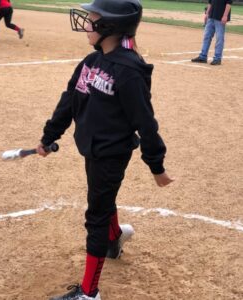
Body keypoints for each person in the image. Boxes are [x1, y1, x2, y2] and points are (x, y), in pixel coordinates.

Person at [37, 0, 174, 299]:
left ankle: (89, 293)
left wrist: (156, 165)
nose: (86, 24)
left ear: (109, 27)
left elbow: (145, 122)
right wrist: (49, 136)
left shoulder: (129, 71)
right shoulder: (91, 62)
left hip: (111, 153)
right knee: (102, 197)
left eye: (92, 19)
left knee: (96, 214)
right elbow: (69, 100)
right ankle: (114, 239)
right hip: (93, 148)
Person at [192, 0, 232, 66]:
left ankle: (217, 58)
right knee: (206, 36)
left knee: (219, 38)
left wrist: (225, 16)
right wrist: (207, 14)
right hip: (211, 16)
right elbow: (210, 2)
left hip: (220, 18)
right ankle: (203, 56)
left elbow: (228, 4)